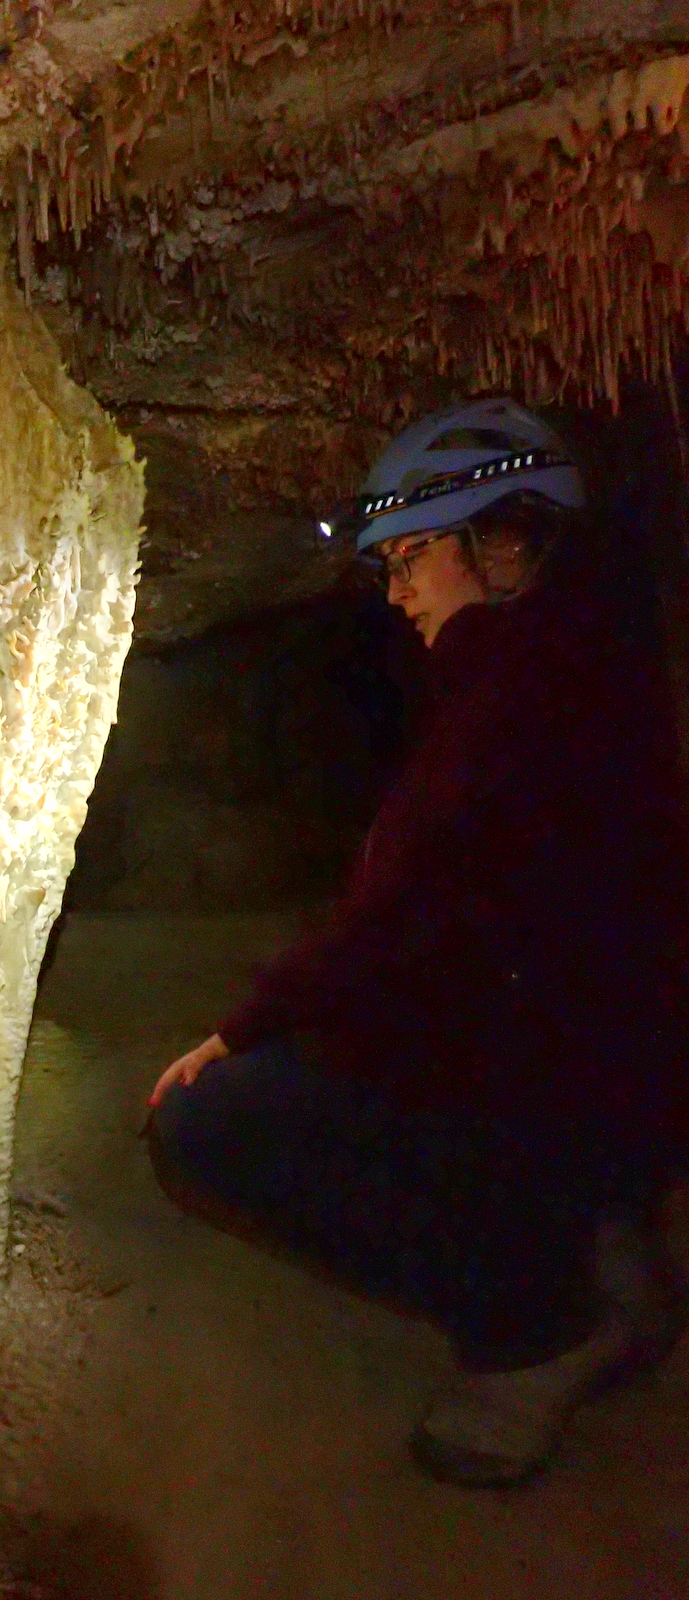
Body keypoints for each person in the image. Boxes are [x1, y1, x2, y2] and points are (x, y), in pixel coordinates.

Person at [146, 397, 689, 1488]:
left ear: (500, 541)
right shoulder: (573, 663)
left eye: (410, 560)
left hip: (586, 1076)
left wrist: (241, 1029)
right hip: (624, 1073)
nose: (396, 594)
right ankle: (602, 1241)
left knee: (214, 1124)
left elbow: (399, 907)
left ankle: (537, 1329)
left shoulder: (519, 694)